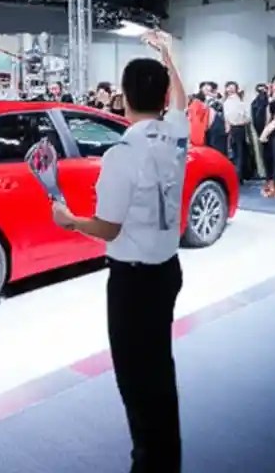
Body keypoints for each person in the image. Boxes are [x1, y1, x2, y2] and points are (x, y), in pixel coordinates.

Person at [52, 33, 188, 472]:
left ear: (123, 98)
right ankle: (167, 457)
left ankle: (149, 462)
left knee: (136, 379)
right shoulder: (175, 137)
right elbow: (183, 104)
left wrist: (69, 219)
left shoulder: (121, 155)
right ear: (163, 96)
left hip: (134, 282)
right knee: (159, 370)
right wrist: (170, 58)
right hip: (167, 270)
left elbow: (107, 226)